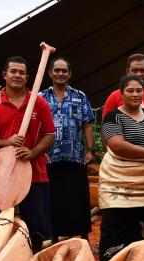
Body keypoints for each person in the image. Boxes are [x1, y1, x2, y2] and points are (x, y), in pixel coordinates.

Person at [0, 56, 56, 250]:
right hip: (1, 175)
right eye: (13, 71)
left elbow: (50, 134)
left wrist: (32, 152)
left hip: (35, 174)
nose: (17, 75)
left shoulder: (38, 103)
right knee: (0, 226)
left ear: (28, 77)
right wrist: (7, 142)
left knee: (37, 230)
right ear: (5, 75)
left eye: (22, 72)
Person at [98, 75, 144, 261]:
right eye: (130, 90)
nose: (135, 94)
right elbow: (116, 145)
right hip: (119, 183)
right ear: (121, 94)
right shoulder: (113, 116)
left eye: (139, 90)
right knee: (116, 231)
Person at [38, 57, 96, 240]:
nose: (60, 73)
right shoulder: (40, 97)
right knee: (53, 199)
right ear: (50, 73)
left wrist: (90, 150)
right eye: (57, 70)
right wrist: (39, 151)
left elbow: (87, 124)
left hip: (75, 156)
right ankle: (54, 238)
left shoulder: (79, 96)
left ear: (70, 74)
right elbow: (35, 126)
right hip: (49, 157)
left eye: (64, 70)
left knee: (78, 198)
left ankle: (83, 238)